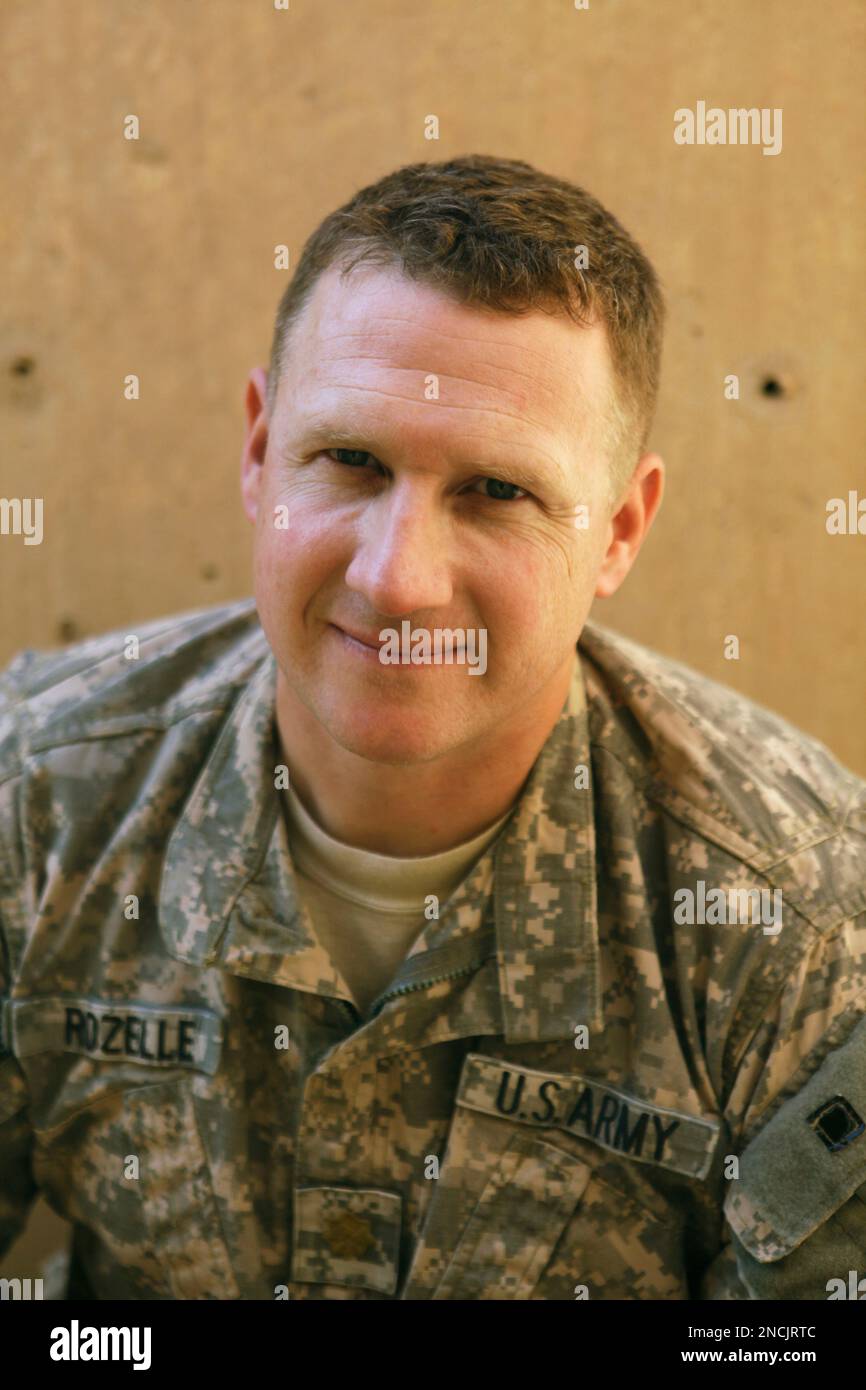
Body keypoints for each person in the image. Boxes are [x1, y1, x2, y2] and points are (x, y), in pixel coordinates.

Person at [1, 154, 864, 1301]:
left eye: (496, 493)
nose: (398, 580)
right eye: (350, 461)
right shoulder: (37, 802)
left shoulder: (798, 923)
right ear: (261, 452)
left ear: (616, 529)